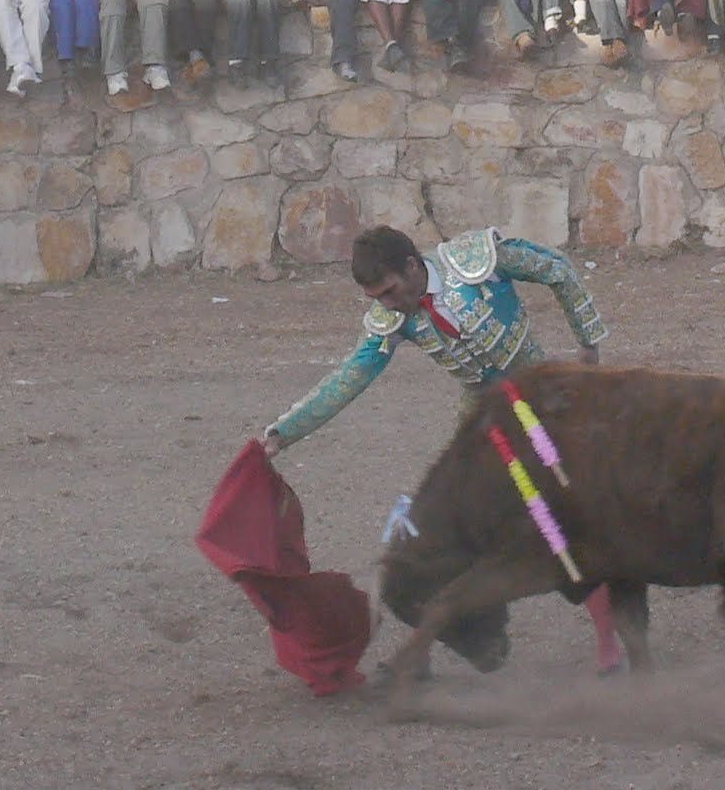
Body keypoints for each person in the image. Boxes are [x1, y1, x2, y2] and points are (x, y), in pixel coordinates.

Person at [257, 223, 622, 677]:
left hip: (544, 402)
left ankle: (611, 649)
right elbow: (350, 377)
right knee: (437, 531)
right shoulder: (395, 318)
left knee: (564, 521)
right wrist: (283, 432)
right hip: (481, 422)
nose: (388, 305)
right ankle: (421, 652)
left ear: (412, 267)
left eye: (390, 291)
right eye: (378, 299)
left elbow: (557, 270)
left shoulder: (476, 264)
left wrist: (588, 343)